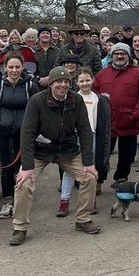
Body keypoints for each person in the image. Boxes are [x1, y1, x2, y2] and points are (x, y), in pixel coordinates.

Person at [8, 67, 100, 245]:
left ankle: (83, 219)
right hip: (41, 151)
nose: (63, 85)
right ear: (50, 84)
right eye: (58, 81)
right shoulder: (36, 101)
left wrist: (88, 163)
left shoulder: (77, 99)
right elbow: (26, 133)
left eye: (66, 82)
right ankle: (20, 228)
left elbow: (85, 131)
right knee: (23, 182)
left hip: (67, 150)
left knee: (90, 176)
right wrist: (26, 167)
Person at [0, 52, 39, 219]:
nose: (14, 70)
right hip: (2, 134)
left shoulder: (31, 86)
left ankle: (21, 201)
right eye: (11, 67)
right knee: (7, 167)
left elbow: (38, 109)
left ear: (23, 67)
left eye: (17, 67)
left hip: (24, 135)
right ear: (4, 68)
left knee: (22, 168)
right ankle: (7, 202)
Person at [58, 68, 111, 216]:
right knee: (69, 170)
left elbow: (104, 122)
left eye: (87, 80)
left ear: (93, 80)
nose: (85, 83)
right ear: (76, 82)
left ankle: (90, 200)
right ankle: (64, 201)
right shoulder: (71, 98)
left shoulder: (99, 99)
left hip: (92, 137)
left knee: (89, 170)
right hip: (74, 138)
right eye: (81, 81)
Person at [92, 43, 139, 185]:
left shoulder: (138, 73)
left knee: (127, 154)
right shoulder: (102, 74)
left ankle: (121, 178)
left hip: (129, 121)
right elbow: (93, 94)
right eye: (116, 54)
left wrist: (135, 115)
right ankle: (98, 179)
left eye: (123, 53)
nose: (120, 56)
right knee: (102, 153)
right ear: (112, 56)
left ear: (128, 56)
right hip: (106, 122)